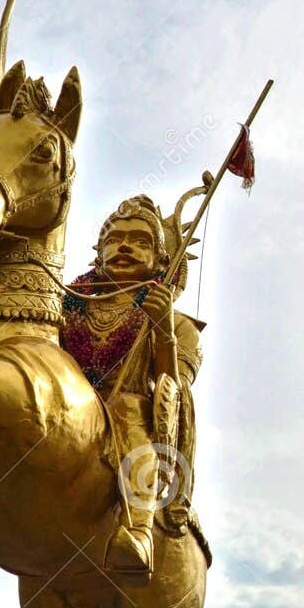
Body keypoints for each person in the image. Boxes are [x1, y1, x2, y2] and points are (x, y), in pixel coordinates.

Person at [61, 194, 202, 576]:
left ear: (160, 259)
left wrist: (164, 329)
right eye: (114, 238)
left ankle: (139, 530)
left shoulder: (177, 322)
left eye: (140, 241)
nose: (123, 246)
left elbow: (174, 386)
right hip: (65, 403)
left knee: (127, 407)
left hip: (128, 412)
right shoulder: (68, 303)